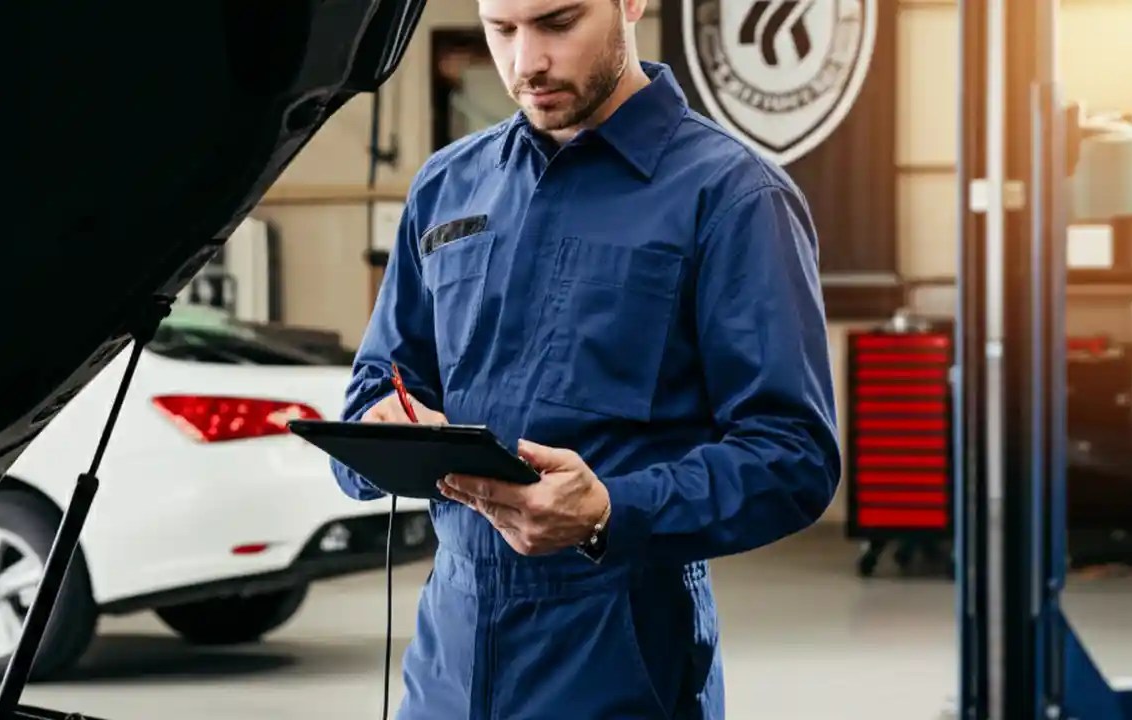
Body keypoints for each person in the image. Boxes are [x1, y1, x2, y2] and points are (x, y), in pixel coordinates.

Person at [331, 0, 842, 717]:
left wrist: (611, 511)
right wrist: (378, 434)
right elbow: (377, 385)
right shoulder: (448, 187)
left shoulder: (732, 196)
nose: (524, 63)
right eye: (501, 29)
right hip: (448, 651)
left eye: (557, 22)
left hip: (620, 651)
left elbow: (794, 458)